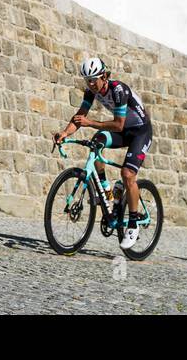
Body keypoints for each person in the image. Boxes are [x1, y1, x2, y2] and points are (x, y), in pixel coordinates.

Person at [52, 57, 153, 249]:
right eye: (87, 80)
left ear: (104, 76)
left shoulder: (118, 90)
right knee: (96, 142)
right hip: (124, 131)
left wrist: (90, 123)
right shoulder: (90, 92)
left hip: (140, 131)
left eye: (93, 80)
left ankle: (132, 224)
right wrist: (64, 133)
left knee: (127, 174)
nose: (90, 84)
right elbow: (80, 116)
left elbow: (118, 124)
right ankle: (106, 190)